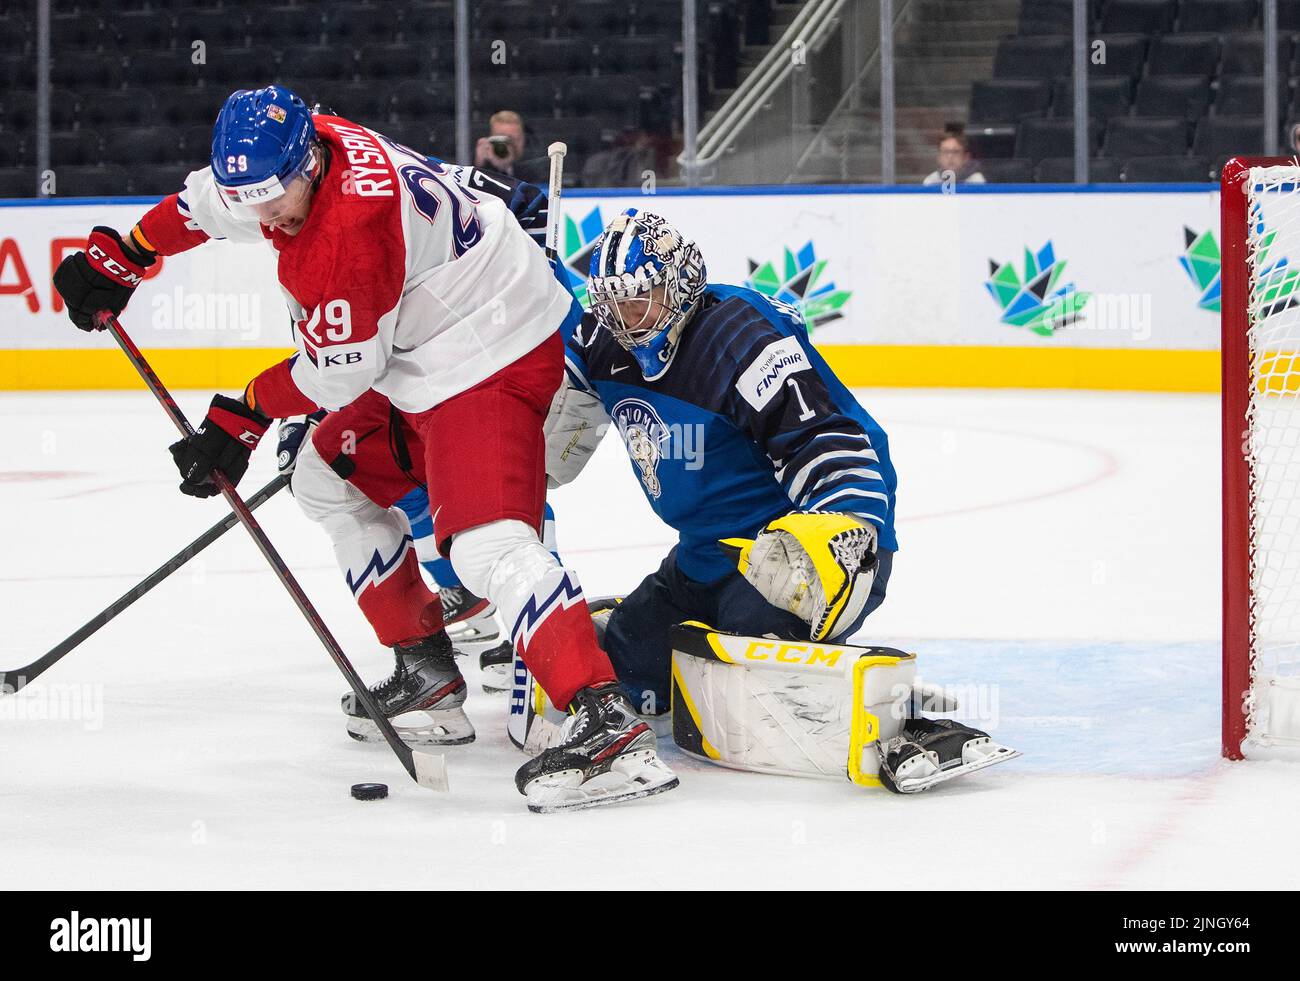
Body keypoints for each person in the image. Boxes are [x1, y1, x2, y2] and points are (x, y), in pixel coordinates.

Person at [51, 85, 678, 813]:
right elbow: (205, 204)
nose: (264, 216)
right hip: (421, 347)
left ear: (311, 164)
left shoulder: (349, 231)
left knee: (486, 545)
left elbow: (338, 371)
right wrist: (130, 252)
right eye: (248, 196)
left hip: (494, 349)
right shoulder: (295, 151)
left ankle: (606, 723)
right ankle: (428, 673)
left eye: (273, 198)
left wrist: (245, 414)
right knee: (323, 476)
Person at [545, 209, 1010, 790]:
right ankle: (646, 624)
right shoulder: (602, 340)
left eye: (642, 300)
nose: (628, 320)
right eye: (613, 304)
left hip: (795, 550)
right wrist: (533, 316)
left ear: (683, 282)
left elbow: (827, 439)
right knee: (628, 672)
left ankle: (903, 719)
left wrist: (842, 532)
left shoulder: (739, 337)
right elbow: (554, 454)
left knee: (757, 682)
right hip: (704, 554)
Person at [474, 109, 549, 186]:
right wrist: (479, 166)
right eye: (500, 139)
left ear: (523, 140)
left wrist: (508, 168)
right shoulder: (475, 167)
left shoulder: (537, 168)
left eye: (513, 140)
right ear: (490, 139)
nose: (507, 146)